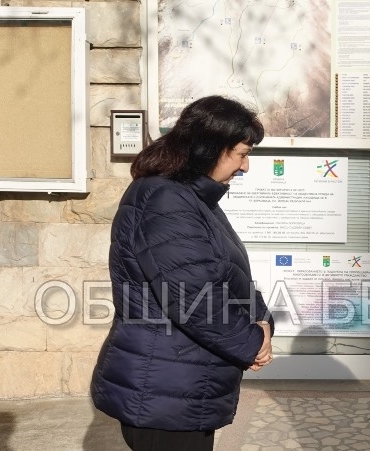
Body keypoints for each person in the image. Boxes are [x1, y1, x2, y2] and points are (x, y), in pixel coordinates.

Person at [90, 95, 274, 451]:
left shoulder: (191, 199)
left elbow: (229, 275)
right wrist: (252, 342)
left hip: (181, 386)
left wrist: (262, 321)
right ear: (210, 148)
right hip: (165, 390)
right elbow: (195, 298)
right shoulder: (165, 200)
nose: (245, 166)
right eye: (241, 154)